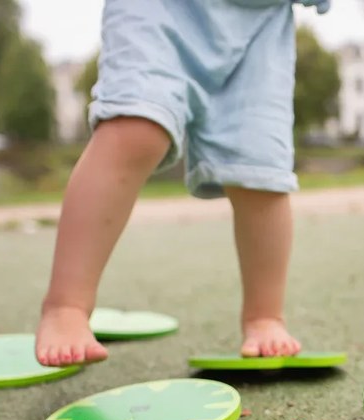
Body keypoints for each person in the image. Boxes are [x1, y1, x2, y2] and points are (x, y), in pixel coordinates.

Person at [35, 0, 330, 367]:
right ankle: (67, 305)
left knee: (261, 172)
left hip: (261, 27)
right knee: (135, 130)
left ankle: (264, 316)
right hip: (162, 10)